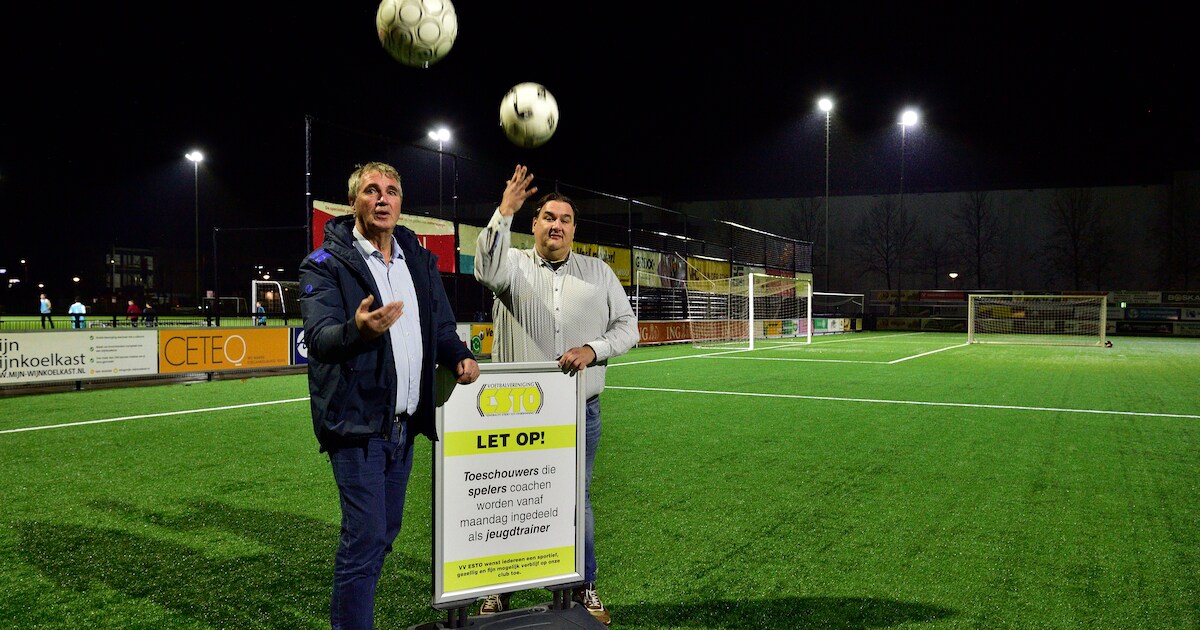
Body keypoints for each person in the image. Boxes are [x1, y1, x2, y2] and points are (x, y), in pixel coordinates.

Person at [300, 161, 480, 630]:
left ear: (401, 204)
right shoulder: (323, 263)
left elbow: (439, 324)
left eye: (392, 191)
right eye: (371, 190)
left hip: (403, 427)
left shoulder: (416, 259)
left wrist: (458, 353)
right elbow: (318, 339)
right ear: (354, 202)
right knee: (364, 538)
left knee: (383, 535)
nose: (382, 198)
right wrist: (357, 330)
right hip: (356, 424)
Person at [473, 165, 638, 626]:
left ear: (573, 229)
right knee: (508, 497)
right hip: (516, 411)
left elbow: (628, 328)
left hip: (579, 409)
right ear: (535, 223)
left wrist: (593, 348)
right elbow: (484, 269)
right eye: (548, 216)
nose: (556, 225)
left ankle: (583, 585)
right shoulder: (512, 266)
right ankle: (498, 589)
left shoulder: (599, 272)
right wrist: (504, 209)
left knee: (576, 498)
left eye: (565, 219)